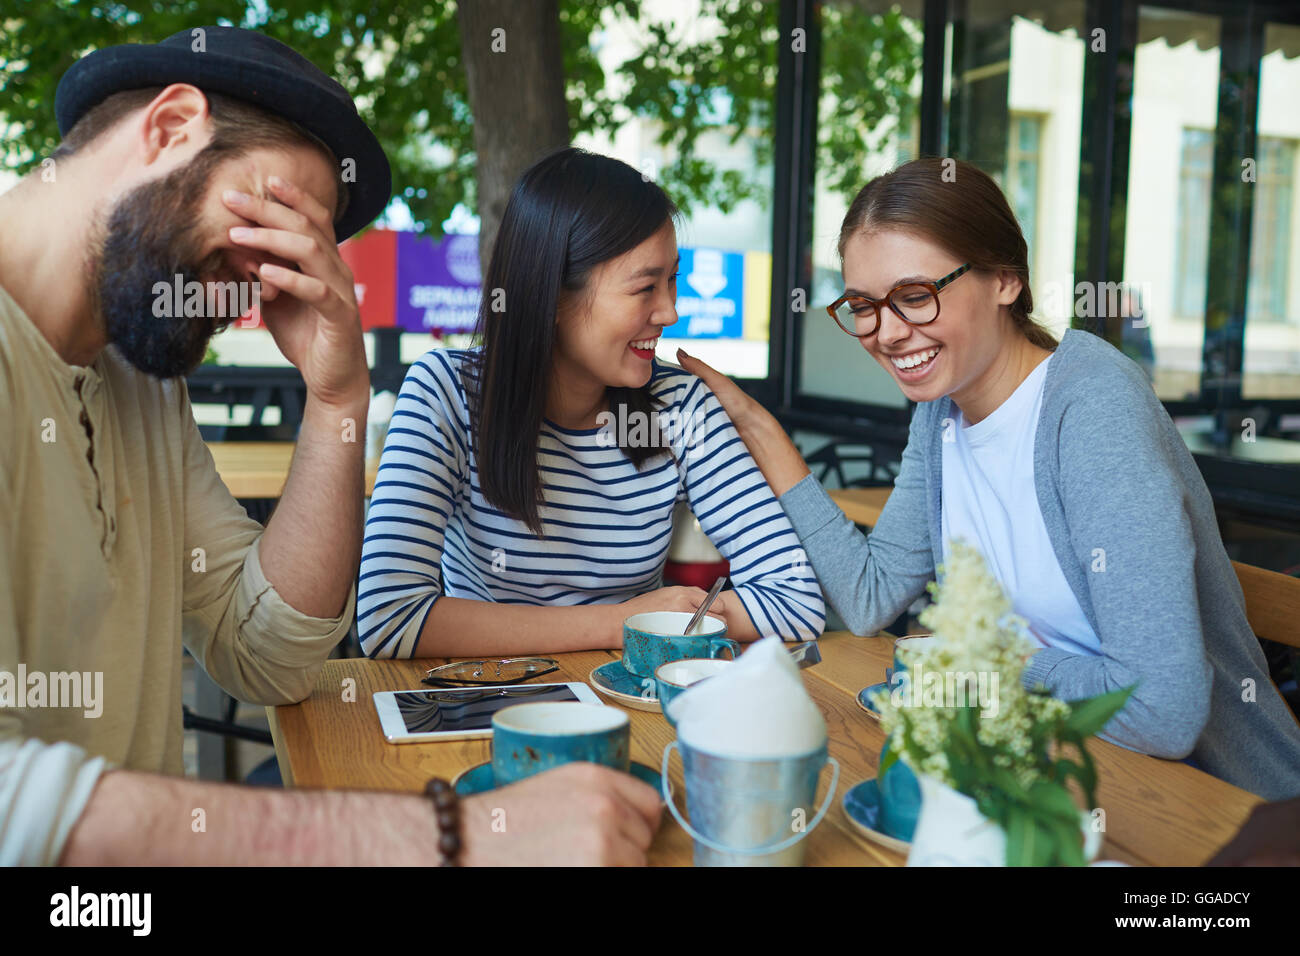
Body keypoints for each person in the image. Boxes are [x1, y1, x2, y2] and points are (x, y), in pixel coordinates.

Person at [0, 26, 661, 866]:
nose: (264, 281)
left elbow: (265, 653)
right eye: (271, 220)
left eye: (297, 250)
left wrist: (337, 398)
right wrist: (447, 839)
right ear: (170, 129)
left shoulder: (138, 380)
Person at [678, 157, 1300, 801]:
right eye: (864, 305)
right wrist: (762, 433)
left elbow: (1164, 711)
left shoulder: (1092, 410)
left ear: (1006, 279)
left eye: (916, 295)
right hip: (1043, 775)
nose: (888, 332)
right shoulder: (941, 414)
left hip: (1212, 812)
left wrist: (978, 664)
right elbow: (870, 598)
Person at [357, 147, 825, 658]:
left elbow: (795, 599)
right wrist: (622, 623)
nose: (669, 311)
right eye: (645, 287)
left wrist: (656, 620)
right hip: (487, 703)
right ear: (554, 295)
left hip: (632, 708)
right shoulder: (446, 392)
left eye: (673, 280)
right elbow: (389, 617)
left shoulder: (680, 406)